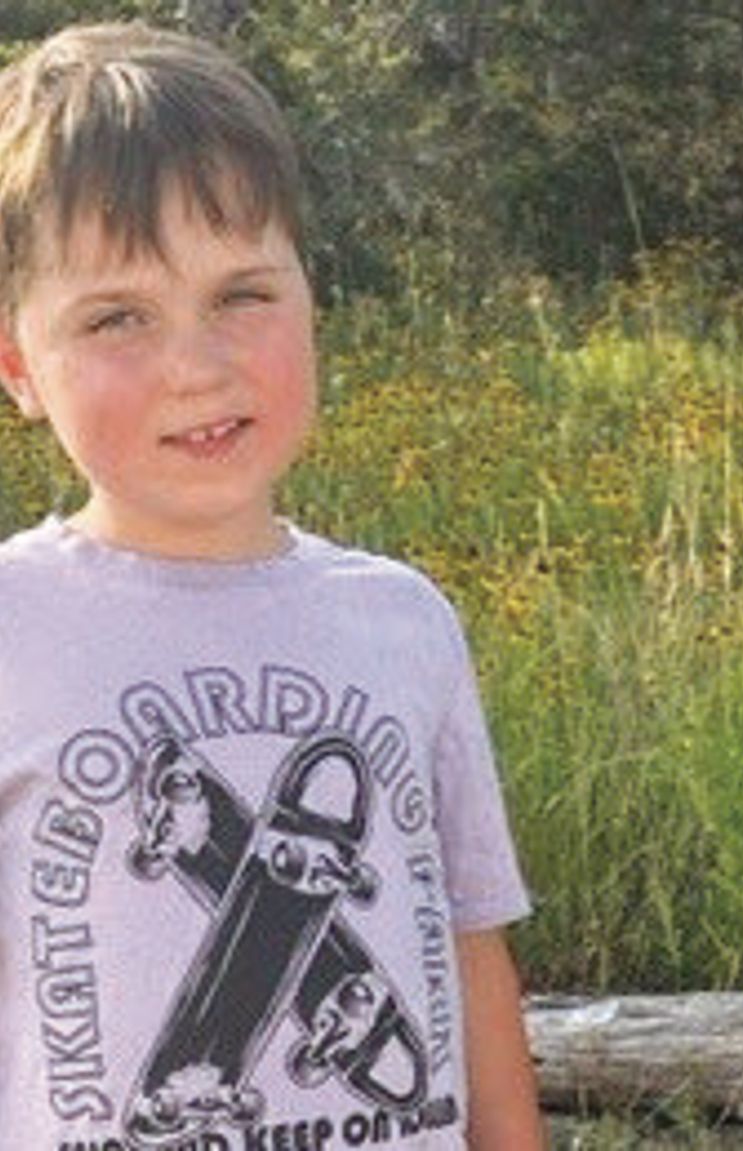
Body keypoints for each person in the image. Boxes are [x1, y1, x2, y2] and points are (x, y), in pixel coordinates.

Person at [0, 21, 544, 1150]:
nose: (197, 365)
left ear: (309, 295)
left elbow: (469, 946)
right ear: (18, 365)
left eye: (243, 294)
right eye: (117, 317)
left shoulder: (404, 620)